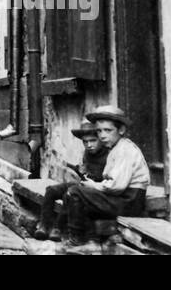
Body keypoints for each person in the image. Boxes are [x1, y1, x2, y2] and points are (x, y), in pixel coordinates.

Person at [63, 105, 150, 246]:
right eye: (99, 131)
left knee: (76, 192)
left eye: (108, 130)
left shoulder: (125, 150)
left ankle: (77, 241)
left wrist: (94, 186)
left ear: (121, 130)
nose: (102, 135)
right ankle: (92, 241)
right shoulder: (115, 148)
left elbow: (116, 186)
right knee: (78, 195)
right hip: (121, 199)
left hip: (130, 201)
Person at [33, 119, 107, 241]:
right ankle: (44, 226)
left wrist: (89, 178)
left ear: (101, 139)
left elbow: (106, 181)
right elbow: (85, 174)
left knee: (71, 192)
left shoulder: (109, 154)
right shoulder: (87, 153)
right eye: (85, 142)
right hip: (84, 185)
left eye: (93, 141)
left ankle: (58, 228)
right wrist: (77, 168)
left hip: (97, 191)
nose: (89, 145)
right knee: (51, 190)